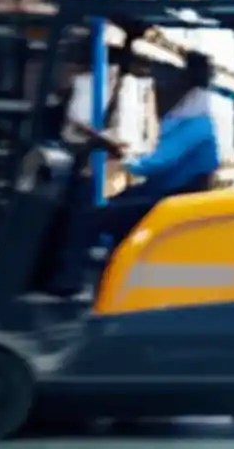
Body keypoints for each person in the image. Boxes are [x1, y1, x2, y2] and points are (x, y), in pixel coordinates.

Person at [51, 52, 221, 294]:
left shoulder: (197, 123)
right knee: (109, 204)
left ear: (185, 83)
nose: (162, 87)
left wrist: (124, 157)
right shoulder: (188, 117)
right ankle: (102, 276)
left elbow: (159, 161)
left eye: (170, 79)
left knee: (91, 215)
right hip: (167, 193)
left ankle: (70, 282)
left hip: (172, 199)